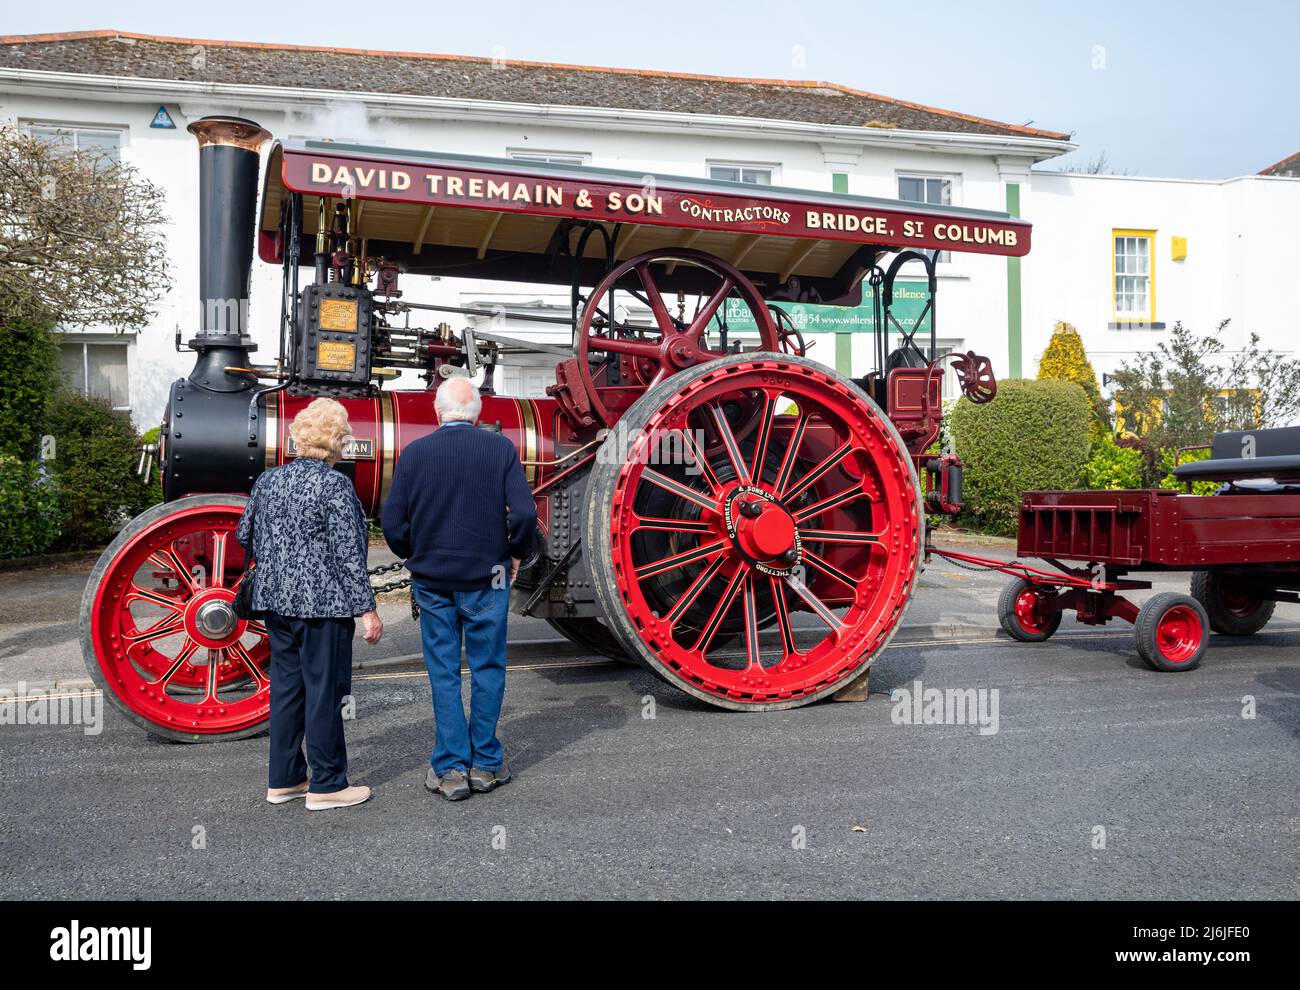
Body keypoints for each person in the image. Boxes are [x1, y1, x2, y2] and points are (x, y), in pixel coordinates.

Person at [381, 376, 537, 801]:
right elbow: (524, 514)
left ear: (437, 412)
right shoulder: (500, 449)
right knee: (488, 669)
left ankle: (450, 769)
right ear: (479, 415)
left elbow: (391, 522)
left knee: (444, 673)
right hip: (490, 576)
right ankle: (486, 764)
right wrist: (516, 553)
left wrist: (417, 553)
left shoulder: (415, 454)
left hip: (433, 580)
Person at [236, 397, 383, 812]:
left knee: (286, 692)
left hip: (276, 604)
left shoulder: (269, 482)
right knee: (324, 694)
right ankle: (329, 785)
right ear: (338, 442)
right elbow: (349, 555)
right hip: (323, 608)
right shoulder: (334, 485)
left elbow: (244, 535)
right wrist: (367, 609)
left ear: (298, 438)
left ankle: (285, 780)